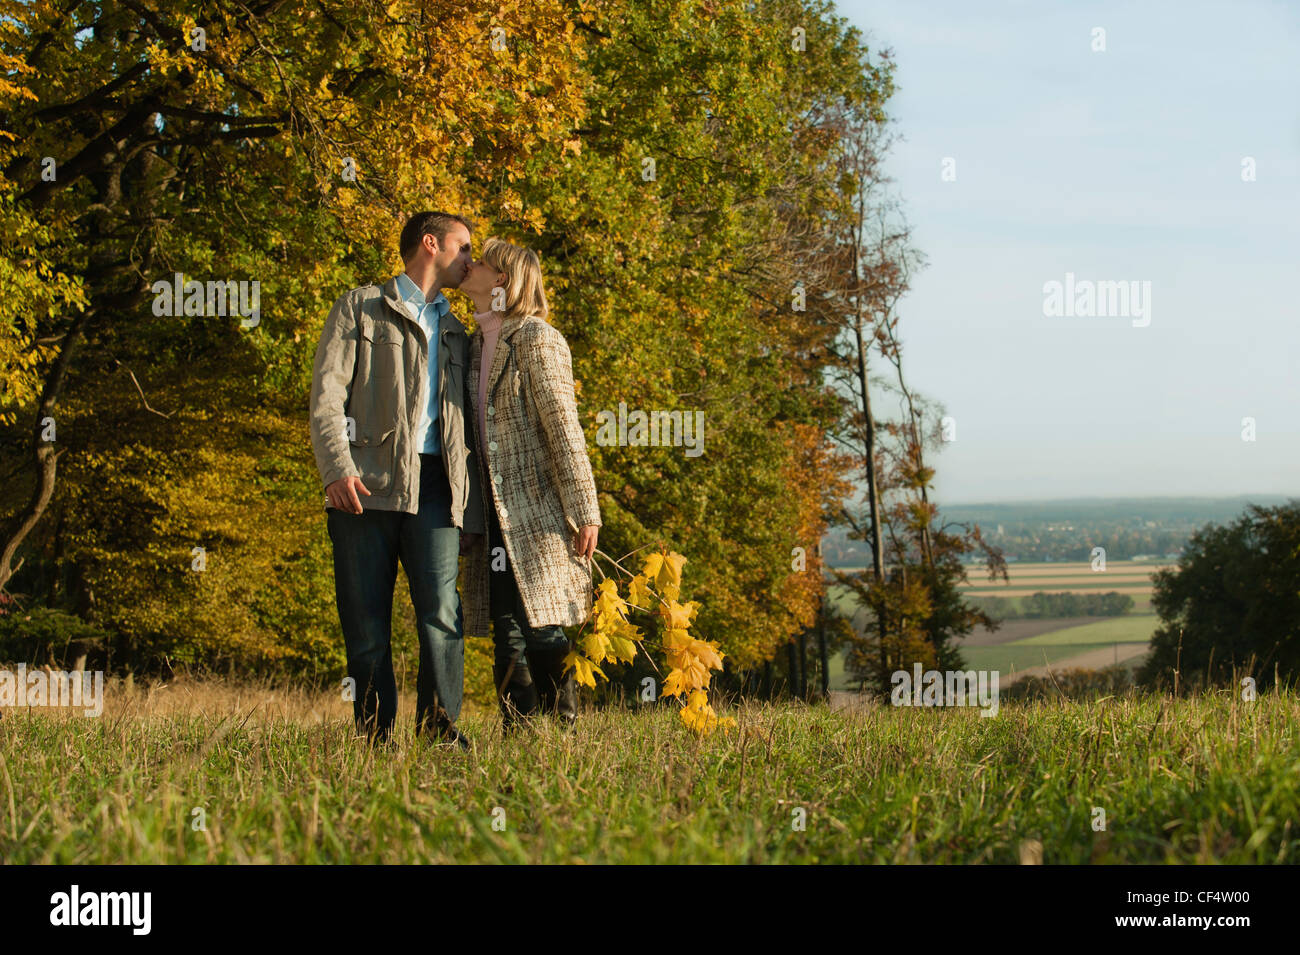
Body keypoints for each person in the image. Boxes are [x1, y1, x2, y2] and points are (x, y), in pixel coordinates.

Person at [308, 211, 486, 749]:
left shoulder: (458, 331)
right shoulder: (360, 308)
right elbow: (326, 397)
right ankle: (375, 737)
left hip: (436, 487)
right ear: (430, 244)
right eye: (464, 247)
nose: (470, 260)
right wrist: (337, 467)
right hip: (365, 484)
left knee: (441, 613)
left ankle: (440, 730)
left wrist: (472, 507)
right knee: (364, 625)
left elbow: (468, 425)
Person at [458, 237, 601, 735]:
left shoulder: (537, 339)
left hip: (538, 509)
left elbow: (564, 427)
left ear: (501, 279)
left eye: (479, 262)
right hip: (493, 516)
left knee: (542, 624)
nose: (468, 266)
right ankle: (520, 734)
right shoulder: (473, 344)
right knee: (507, 632)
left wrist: (585, 509)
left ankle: (563, 728)